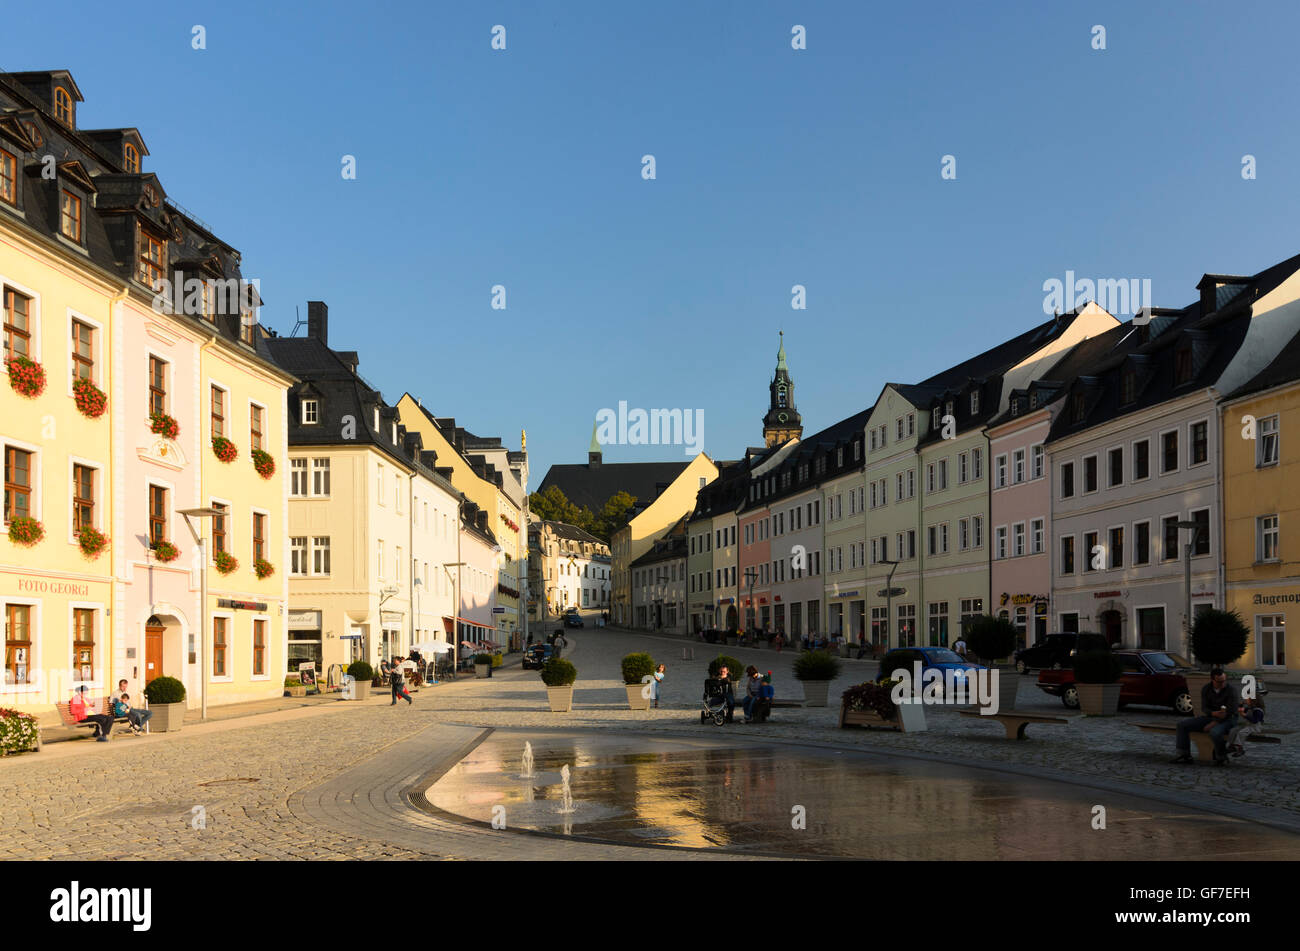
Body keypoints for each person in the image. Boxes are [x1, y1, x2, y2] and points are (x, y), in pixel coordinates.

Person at [1171, 667, 1237, 765]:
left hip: (1228, 719)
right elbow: (1204, 708)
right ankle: (1184, 755)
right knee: (1182, 725)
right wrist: (1212, 714)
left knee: (1214, 732)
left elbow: (1232, 710)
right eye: (1219, 682)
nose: (1222, 684)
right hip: (1210, 717)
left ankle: (1221, 757)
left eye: (1224, 681)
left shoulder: (1231, 690)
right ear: (1212, 680)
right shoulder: (1206, 689)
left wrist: (1214, 722)